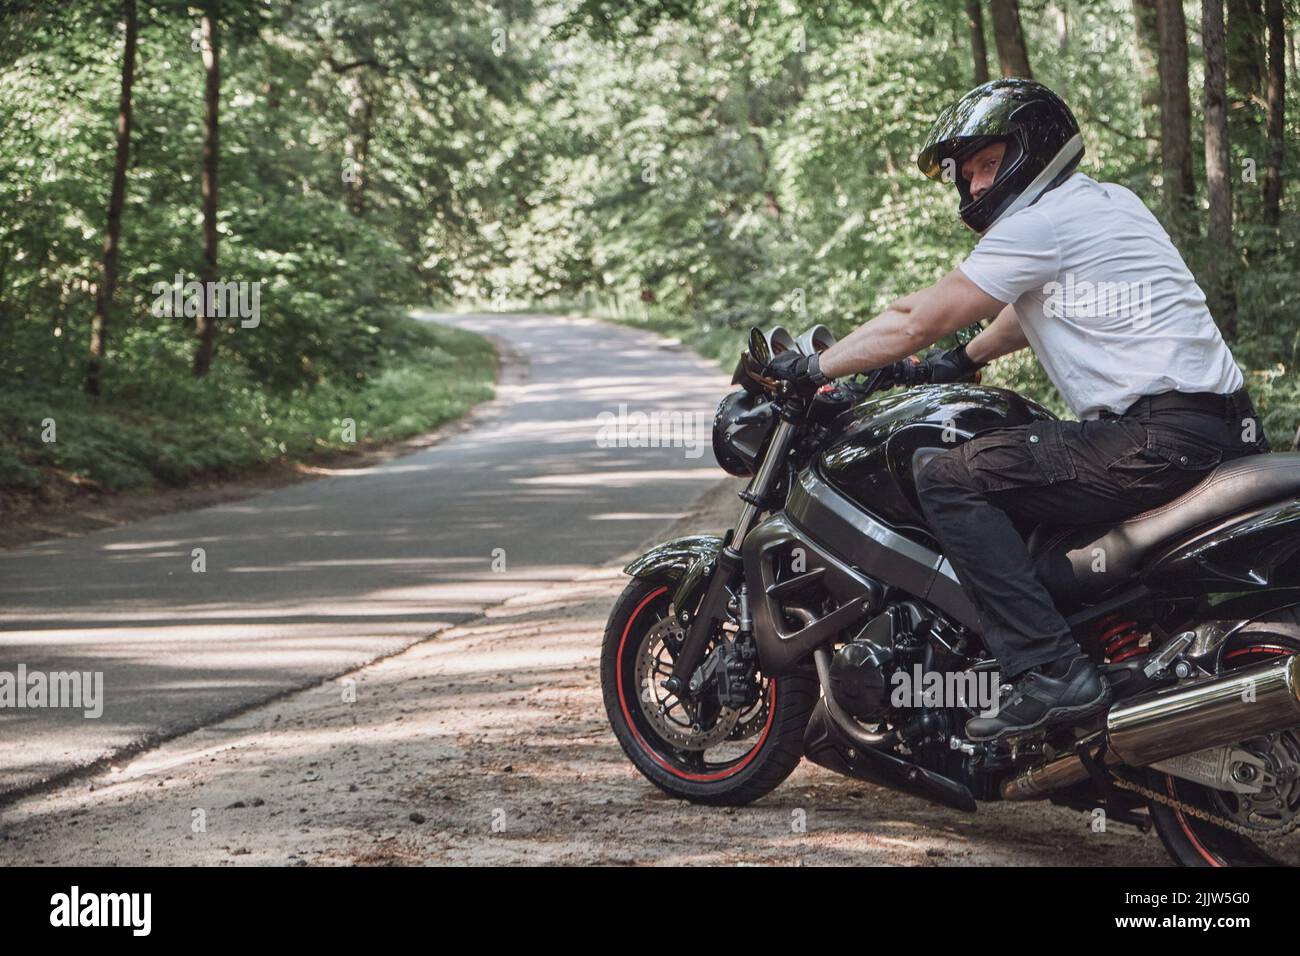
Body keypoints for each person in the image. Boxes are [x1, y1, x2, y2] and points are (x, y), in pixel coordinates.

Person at [766, 78, 1268, 742]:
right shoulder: (1108, 204)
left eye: (984, 165)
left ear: (1033, 149)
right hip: (1219, 425)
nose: (972, 186)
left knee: (947, 475)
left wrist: (814, 367)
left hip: (1153, 437)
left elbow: (918, 316)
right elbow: (1026, 311)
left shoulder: (1041, 221)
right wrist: (960, 358)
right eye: (965, 174)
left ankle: (1051, 673)